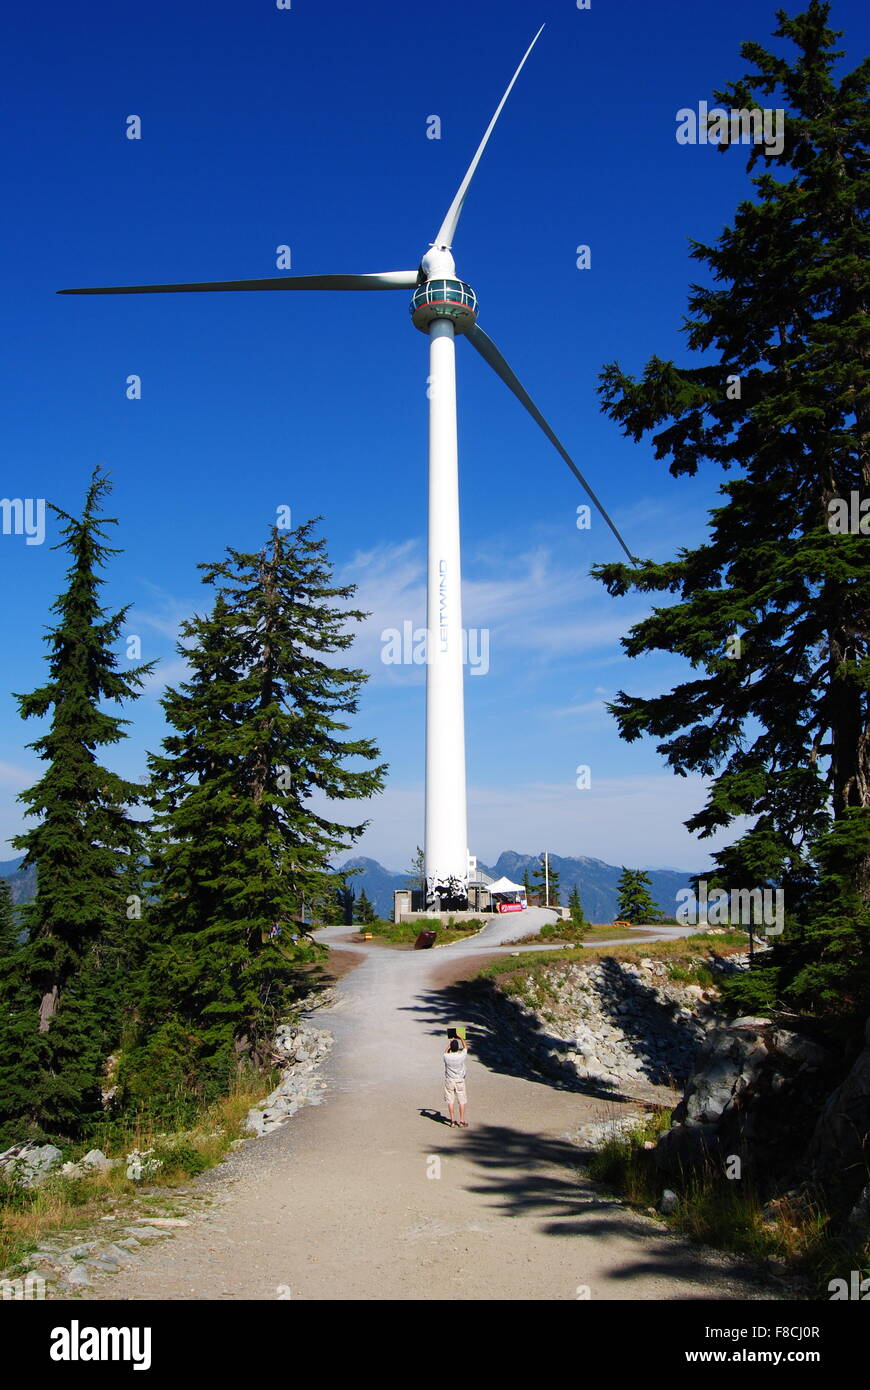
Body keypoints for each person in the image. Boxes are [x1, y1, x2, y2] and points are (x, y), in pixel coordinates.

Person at [443, 1036, 469, 1128]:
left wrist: (450, 1043)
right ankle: (461, 1121)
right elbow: (465, 1047)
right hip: (459, 1080)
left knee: (450, 1100)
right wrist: (461, 1038)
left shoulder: (446, 1056)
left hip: (449, 1080)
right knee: (461, 1101)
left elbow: (445, 1052)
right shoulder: (461, 1056)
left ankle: (452, 1121)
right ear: (458, 1048)